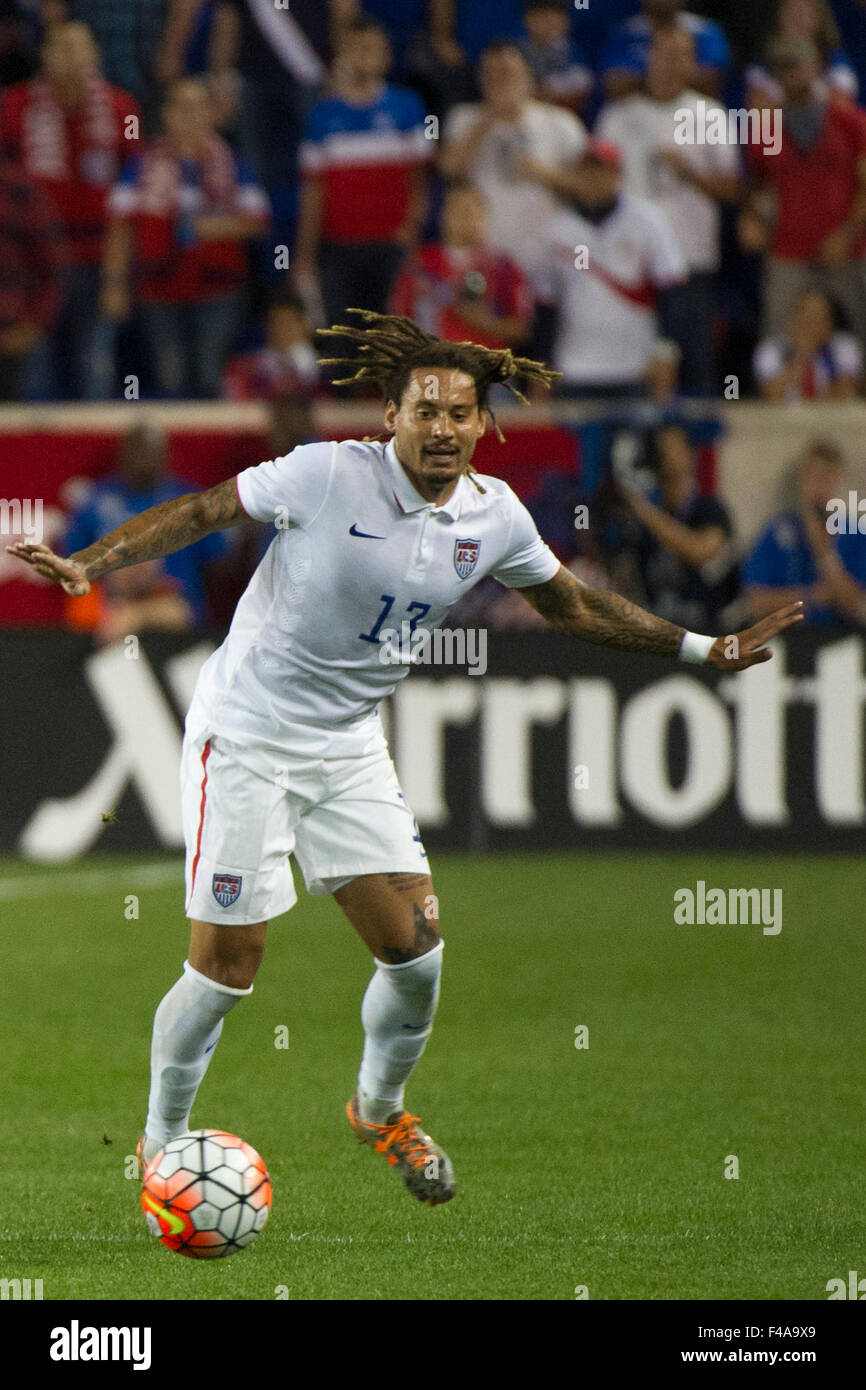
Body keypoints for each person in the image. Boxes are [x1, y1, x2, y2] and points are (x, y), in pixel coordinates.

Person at [9, 311, 802, 1210]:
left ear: (480, 423)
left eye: (461, 412)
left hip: (348, 747)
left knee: (415, 956)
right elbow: (204, 510)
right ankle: (159, 1151)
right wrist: (91, 562)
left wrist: (708, 651)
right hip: (249, 735)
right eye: (425, 410)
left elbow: (574, 608)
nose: (443, 428)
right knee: (228, 969)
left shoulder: (493, 515)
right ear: (389, 415)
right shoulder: (324, 475)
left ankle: (378, 1110)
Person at [102, 76, 270, 399]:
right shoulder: (143, 163)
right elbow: (121, 225)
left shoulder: (230, 161)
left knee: (210, 372)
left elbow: (258, 219)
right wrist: (114, 284)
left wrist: (210, 227)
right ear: (166, 114)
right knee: (170, 374)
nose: (188, 115)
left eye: (196, 107)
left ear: (210, 113)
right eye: (179, 106)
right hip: (159, 288)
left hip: (217, 289)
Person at [596, 29, 740, 396]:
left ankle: (698, 450)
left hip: (690, 261)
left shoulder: (709, 114)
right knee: (631, 367)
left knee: (694, 364)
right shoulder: (617, 116)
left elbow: (732, 188)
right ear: (649, 58)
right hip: (631, 264)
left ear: (693, 64)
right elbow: (596, 186)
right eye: (664, 53)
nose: (672, 62)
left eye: (682, 55)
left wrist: (688, 171)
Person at [0, 20, 140, 400]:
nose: (70, 58)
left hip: (99, 258)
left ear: (94, 54)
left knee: (93, 364)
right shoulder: (12, 105)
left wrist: (118, 276)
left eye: (79, 48)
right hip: (35, 263)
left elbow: (136, 179)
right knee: (37, 370)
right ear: (44, 57)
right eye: (60, 48)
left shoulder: (125, 110)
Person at [294, 17, 431, 330]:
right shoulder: (321, 115)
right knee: (344, 345)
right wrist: (304, 256)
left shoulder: (407, 106)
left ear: (386, 55)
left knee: (393, 345)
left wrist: (410, 233)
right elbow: (313, 191)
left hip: (391, 246)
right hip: (338, 250)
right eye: (358, 48)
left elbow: (420, 181)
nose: (366, 56)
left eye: (373, 49)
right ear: (343, 54)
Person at [533, 137, 688, 397]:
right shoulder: (556, 229)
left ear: (618, 174)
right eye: (586, 171)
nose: (593, 178)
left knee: (635, 437)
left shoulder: (648, 220)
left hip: (636, 366)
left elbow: (672, 290)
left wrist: (666, 351)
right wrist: (542, 366)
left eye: (602, 170)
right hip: (575, 366)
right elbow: (546, 305)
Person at [742, 35, 866, 346]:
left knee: (859, 339)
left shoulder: (849, 120)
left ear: (816, 68)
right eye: (783, 68)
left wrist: (849, 232)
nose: (791, 74)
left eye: (797, 66)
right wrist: (753, 218)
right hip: (788, 252)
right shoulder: (766, 126)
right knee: (777, 339)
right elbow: (757, 185)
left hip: (845, 251)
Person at [62, 417, 231, 631]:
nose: (143, 458)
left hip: (177, 617)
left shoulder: (191, 504)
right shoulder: (97, 501)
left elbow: (217, 564)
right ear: (122, 454)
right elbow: (72, 562)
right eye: (137, 450)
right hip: (110, 617)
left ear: (166, 455)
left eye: (150, 450)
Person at [440, 39, 586, 276]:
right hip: (487, 260)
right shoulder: (464, 118)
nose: (501, 81)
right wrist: (487, 120)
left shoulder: (560, 122)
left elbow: (588, 187)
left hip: (547, 255)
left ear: (527, 75)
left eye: (508, 73)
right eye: (492, 74)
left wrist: (545, 174)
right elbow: (449, 168)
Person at [616, 424, 741, 632]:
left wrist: (641, 508)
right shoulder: (645, 518)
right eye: (660, 447)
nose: (664, 454)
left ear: (691, 456)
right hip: (658, 631)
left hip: (708, 630)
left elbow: (700, 551)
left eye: (672, 447)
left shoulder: (709, 508)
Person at [389, 183, 532, 350]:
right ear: (444, 216)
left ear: (485, 218)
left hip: (484, 367)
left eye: (473, 211)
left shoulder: (503, 266)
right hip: (434, 367)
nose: (466, 218)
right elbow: (396, 322)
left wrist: (488, 323)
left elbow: (522, 328)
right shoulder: (420, 264)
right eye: (459, 210)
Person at [745, 439, 866, 626]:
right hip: (787, 635)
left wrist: (825, 554)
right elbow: (757, 603)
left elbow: (857, 606)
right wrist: (813, 597)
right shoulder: (777, 532)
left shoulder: (855, 533)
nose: (819, 487)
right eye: (814, 477)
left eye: (827, 478)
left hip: (839, 636)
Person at [0, 150, 62, 401]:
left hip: (15, 335)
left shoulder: (19, 192)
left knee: (23, 429)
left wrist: (32, 326)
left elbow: (52, 269)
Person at [601, 0, 732, 102]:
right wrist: (662, 77)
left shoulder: (704, 31)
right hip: (635, 111)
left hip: (693, 107)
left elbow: (711, 84)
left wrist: (643, 79)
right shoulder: (624, 33)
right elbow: (615, 85)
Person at [746, 0, 859, 107]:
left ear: (819, 16)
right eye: (791, 10)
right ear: (779, 16)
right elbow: (761, 119)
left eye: (804, 10)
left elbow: (842, 110)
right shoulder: (761, 66)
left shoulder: (836, 61)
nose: (797, 17)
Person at [753, 290, 862, 400]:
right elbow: (771, 395)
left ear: (830, 323)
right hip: (783, 415)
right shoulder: (771, 349)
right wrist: (801, 357)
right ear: (793, 320)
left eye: (820, 318)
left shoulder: (845, 346)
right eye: (807, 317)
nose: (812, 325)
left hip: (832, 414)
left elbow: (847, 392)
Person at [222, 289, 320, 402]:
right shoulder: (247, 368)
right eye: (275, 322)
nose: (281, 330)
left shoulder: (327, 371)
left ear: (305, 325)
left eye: (288, 322)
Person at [519, 0, 593, 115]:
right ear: (527, 20)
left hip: (565, 115)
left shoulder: (571, 51)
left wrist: (548, 89)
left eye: (554, 16)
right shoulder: (517, 52)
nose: (549, 22)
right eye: (542, 17)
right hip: (525, 113)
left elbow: (582, 87)